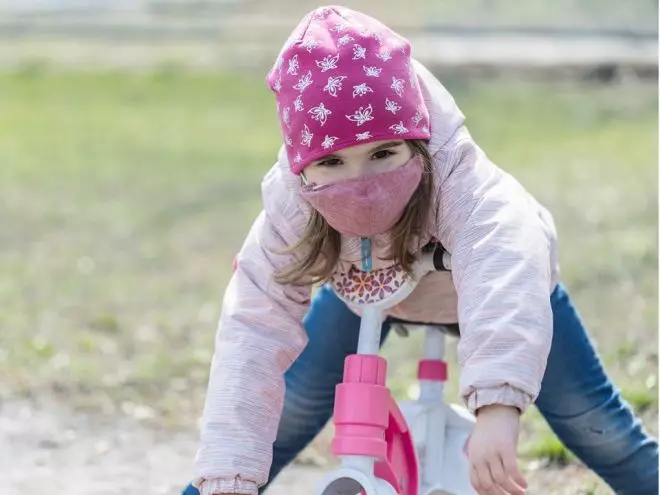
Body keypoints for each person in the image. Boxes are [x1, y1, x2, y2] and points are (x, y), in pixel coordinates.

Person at [183, 6, 658, 495]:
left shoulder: (462, 182)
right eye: (331, 162)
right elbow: (253, 322)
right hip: (367, 293)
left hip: (495, 295)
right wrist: (226, 471)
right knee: (292, 409)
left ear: (418, 143)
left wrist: (497, 407)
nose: (361, 183)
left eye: (383, 154)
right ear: (303, 168)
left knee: (598, 427)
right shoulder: (291, 205)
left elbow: (505, 272)